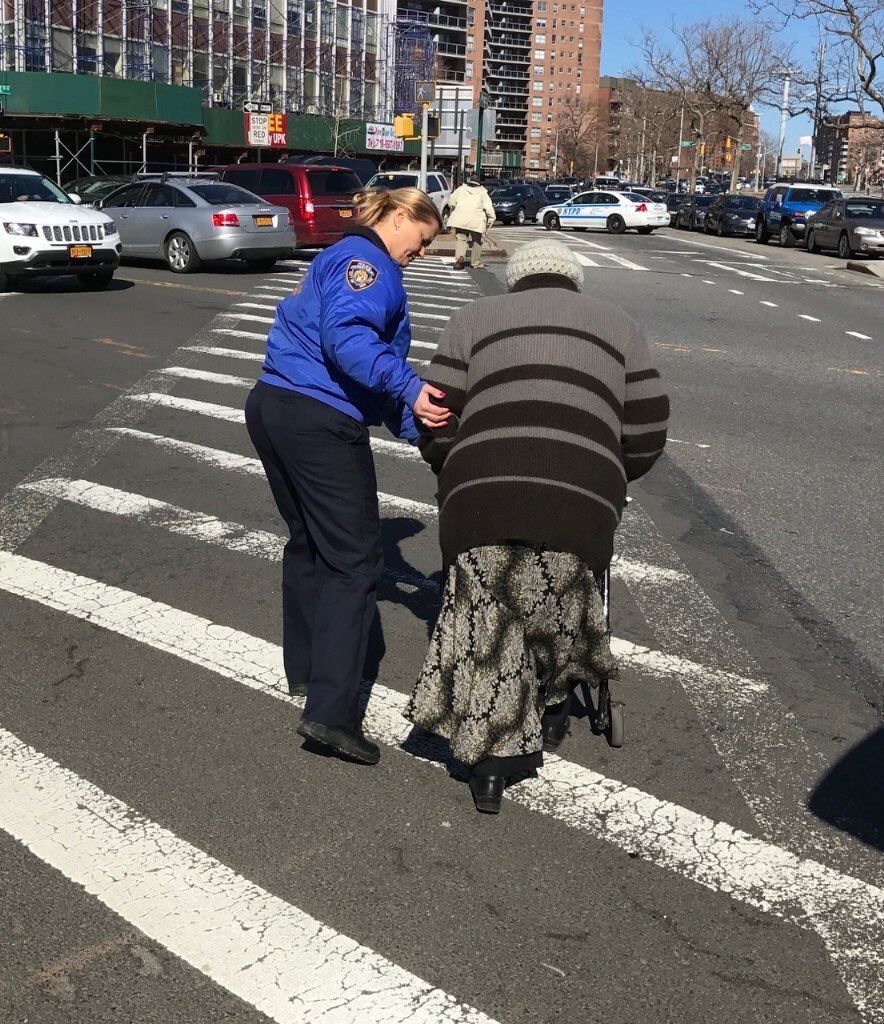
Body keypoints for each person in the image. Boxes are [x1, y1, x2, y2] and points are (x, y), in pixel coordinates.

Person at [405, 239, 669, 813]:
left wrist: (449, 463)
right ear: (573, 282)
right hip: (582, 497)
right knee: (558, 593)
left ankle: (491, 767)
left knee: (489, 621)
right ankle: (551, 708)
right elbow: (648, 427)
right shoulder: (620, 325)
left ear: (514, 281)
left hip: (481, 495)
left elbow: (437, 408)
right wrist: (607, 475)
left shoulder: (474, 317)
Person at [245, 187, 450, 766]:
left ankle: (308, 671)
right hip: (318, 420)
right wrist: (413, 389)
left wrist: (418, 433)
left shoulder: (336, 257)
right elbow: (351, 343)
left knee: (309, 544)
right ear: (402, 215)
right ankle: (331, 715)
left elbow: (354, 368)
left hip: (275, 404)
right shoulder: (370, 266)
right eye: (425, 239)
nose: (425, 252)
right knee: (355, 562)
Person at [448, 173, 495, 270]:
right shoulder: (482, 192)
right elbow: (489, 208)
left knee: (461, 238)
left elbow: (451, 202)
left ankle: (460, 257)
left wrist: (454, 209)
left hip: (461, 218)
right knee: (477, 241)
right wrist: (491, 219)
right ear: (479, 182)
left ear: (469, 180)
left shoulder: (460, 189)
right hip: (476, 220)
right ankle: (475, 262)